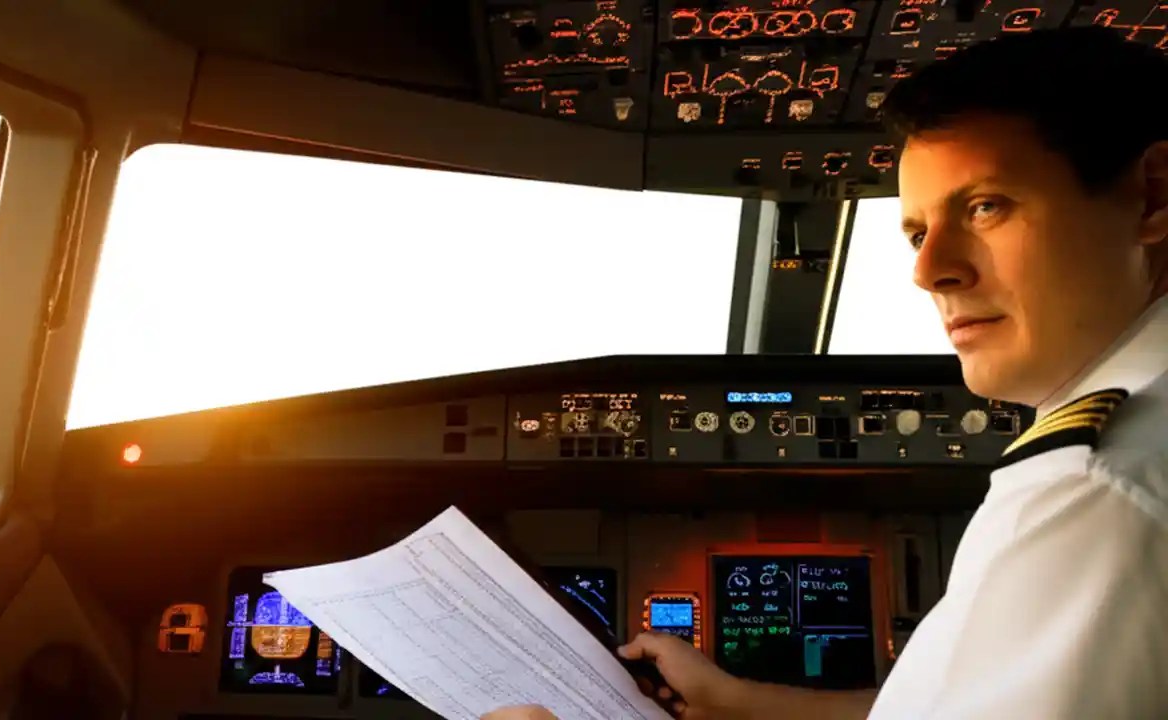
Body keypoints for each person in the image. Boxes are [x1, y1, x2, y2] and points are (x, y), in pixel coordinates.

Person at [484, 25, 1168, 720]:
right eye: (917, 233)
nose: (930, 271)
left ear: (1152, 196)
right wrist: (741, 702)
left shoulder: (1101, 487)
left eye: (985, 207)